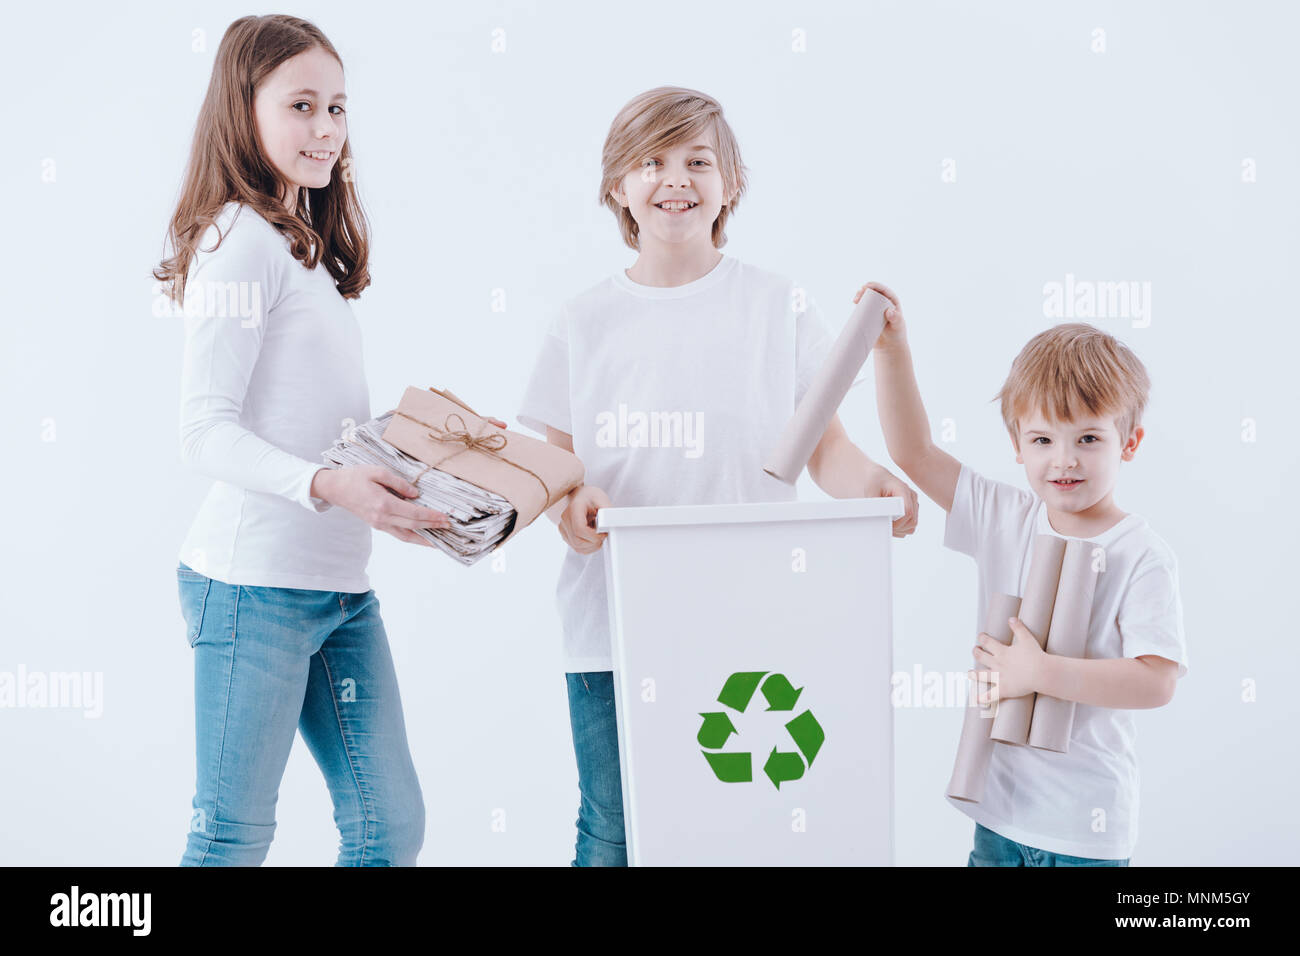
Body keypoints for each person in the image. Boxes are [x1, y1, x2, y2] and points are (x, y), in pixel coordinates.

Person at [517, 86, 919, 866]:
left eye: (698, 161)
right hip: (615, 626)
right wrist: (570, 503)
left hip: (753, 616)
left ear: (730, 183)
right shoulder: (581, 320)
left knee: (747, 824)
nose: (676, 179)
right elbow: (553, 473)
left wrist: (872, 483)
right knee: (616, 829)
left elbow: (823, 447)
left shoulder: (775, 305)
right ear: (616, 188)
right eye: (651, 162)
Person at [155, 14, 504, 865]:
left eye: (338, 109)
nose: (325, 130)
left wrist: (429, 456)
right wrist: (327, 485)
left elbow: (308, 414)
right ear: (244, 112)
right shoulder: (237, 242)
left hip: (338, 589)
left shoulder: (298, 245)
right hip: (252, 590)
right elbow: (202, 433)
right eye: (301, 105)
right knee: (231, 836)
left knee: (390, 827)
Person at [870, 292, 1188, 866]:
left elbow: (1156, 682)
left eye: (1088, 438)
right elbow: (913, 453)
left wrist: (1041, 672)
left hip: (1082, 831)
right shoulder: (1004, 517)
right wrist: (892, 348)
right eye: (1042, 440)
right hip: (998, 815)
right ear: (1016, 445)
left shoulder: (1140, 553)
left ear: (1130, 444)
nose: (1063, 460)